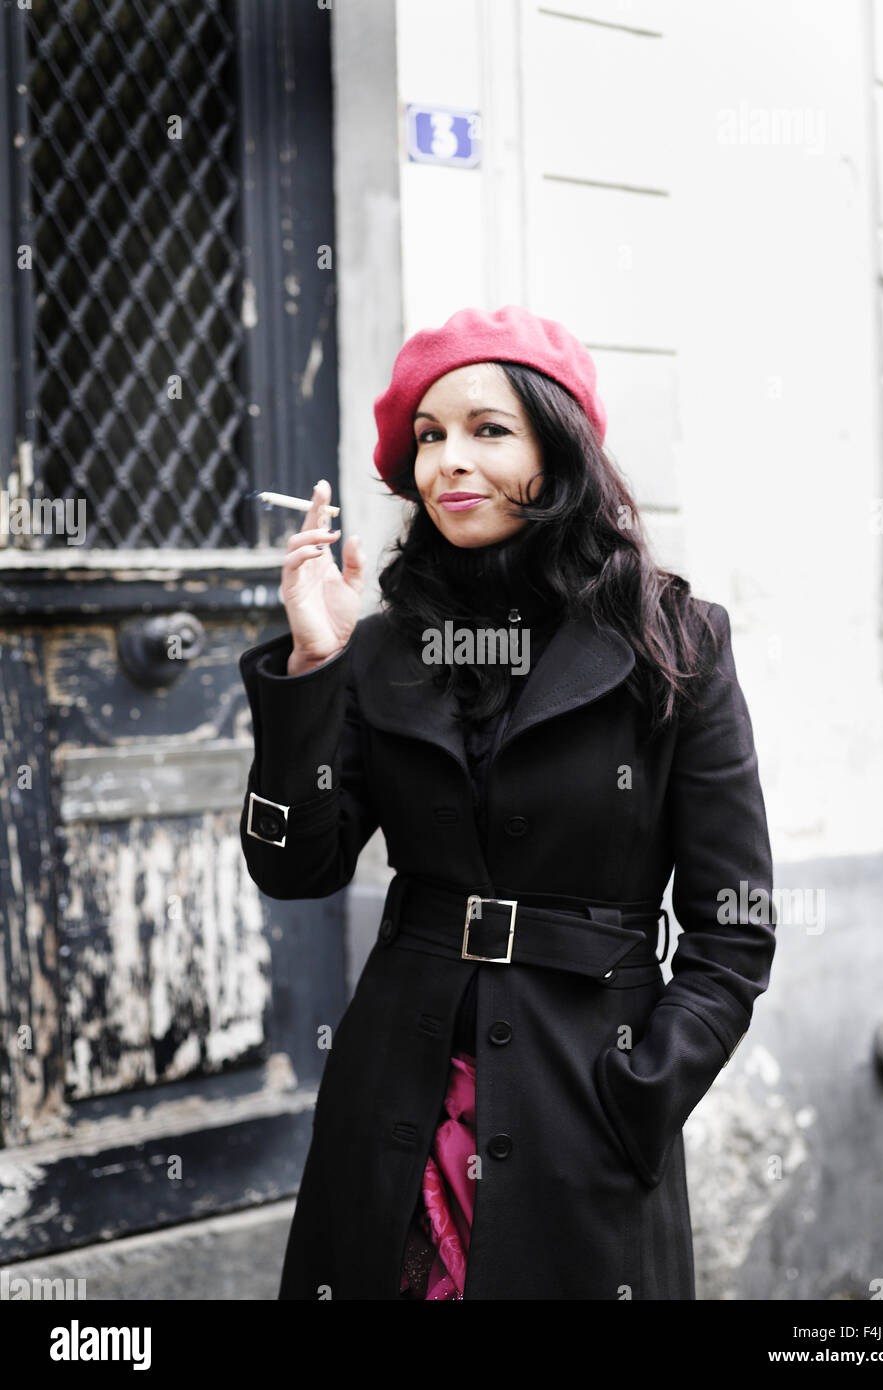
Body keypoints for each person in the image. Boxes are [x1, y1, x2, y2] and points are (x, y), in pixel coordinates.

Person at [238, 304, 777, 1301]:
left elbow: (731, 930)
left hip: (584, 1096)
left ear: (558, 445)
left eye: (488, 430)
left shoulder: (677, 641)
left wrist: (639, 1092)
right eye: (429, 436)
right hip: (395, 1093)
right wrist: (315, 662)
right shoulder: (384, 645)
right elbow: (295, 865)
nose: (449, 459)